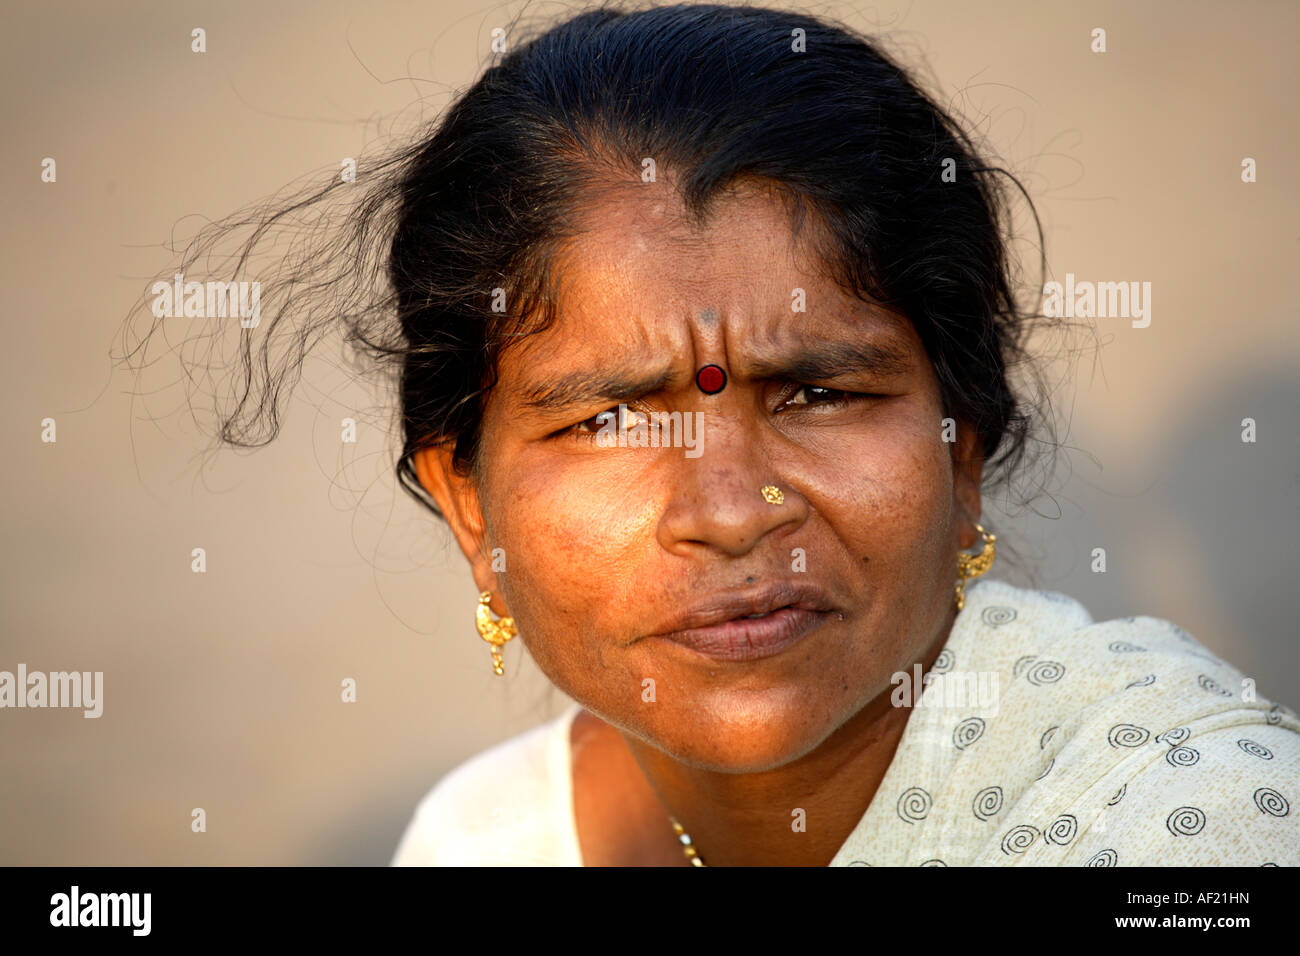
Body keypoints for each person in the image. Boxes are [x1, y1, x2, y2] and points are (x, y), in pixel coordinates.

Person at [123, 3, 1300, 866]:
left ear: (961, 449)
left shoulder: (1184, 825)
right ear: (471, 503)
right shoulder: (486, 840)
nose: (733, 510)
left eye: (821, 394)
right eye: (608, 418)